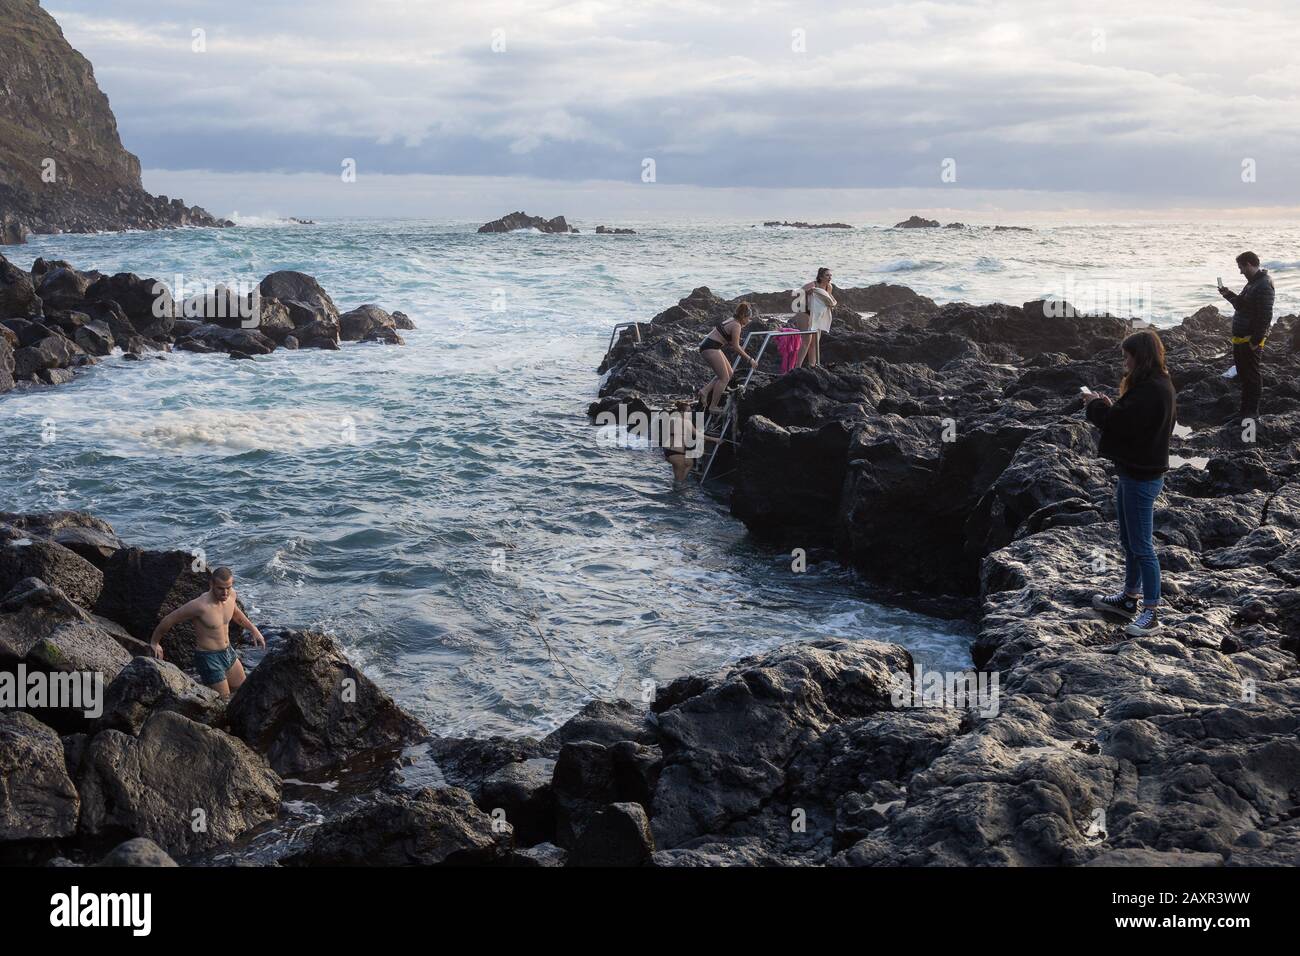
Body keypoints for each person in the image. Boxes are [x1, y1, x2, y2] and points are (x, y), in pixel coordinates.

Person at [1083, 330, 1177, 636]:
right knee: (1129, 542)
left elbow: (1117, 423)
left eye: (1128, 356)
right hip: (1134, 473)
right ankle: (1128, 598)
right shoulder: (1155, 385)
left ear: (1142, 356)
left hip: (1141, 478)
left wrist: (1095, 405)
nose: (1125, 361)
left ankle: (1151, 612)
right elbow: (1129, 420)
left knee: (1142, 547)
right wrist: (1110, 405)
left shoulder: (1152, 389)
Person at [149, 566, 265, 696]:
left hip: (228, 652)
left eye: (228, 587)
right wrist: (155, 642)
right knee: (223, 699)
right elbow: (169, 619)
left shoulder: (231, 595)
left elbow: (236, 613)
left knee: (242, 691)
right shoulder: (199, 606)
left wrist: (253, 629)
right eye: (221, 588)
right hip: (208, 658)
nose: (225, 592)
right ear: (211, 584)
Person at [1217, 251, 1274, 423]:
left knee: (1251, 376)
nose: (1240, 271)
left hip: (1250, 340)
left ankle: (1251, 413)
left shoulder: (1264, 285)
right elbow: (1241, 306)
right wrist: (1227, 294)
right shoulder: (1253, 283)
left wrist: (1256, 341)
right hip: (1241, 338)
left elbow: (1265, 315)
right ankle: (1243, 411)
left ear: (1249, 264)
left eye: (1241, 267)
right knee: (1244, 375)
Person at [698, 302, 757, 413]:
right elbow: (736, 347)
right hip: (710, 348)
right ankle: (713, 407)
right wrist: (750, 359)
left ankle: (704, 391)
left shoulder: (732, 320)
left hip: (711, 345)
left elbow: (728, 340)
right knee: (724, 378)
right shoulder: (736, 325)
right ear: (744, 316)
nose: (748, 321)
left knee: (729, 373)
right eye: (748, 318)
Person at [661, 399, 713, 481]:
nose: (690, 413)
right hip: (678, 453)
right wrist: (715, 439)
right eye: (688, 411)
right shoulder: (686, 422)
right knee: (679, 482)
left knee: (690, 463)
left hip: (667, 451)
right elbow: (698, 435)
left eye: (690, 411)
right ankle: (679, 490)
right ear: (682, 412)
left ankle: (680, 483)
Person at [796, 267, 837, 368]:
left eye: (830, 275)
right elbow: (798, 293)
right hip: (804, 312)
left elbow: (829, 299)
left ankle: (812, 366)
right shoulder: (813, 285)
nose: (829, 277)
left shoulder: (829, 287)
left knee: (815, 342)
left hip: (817, 314)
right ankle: (797, 367)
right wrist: (807, 292)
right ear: (820, 277)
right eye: (827, 275)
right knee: (807, 340)